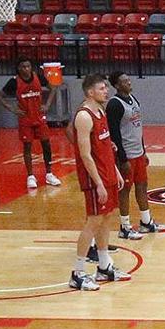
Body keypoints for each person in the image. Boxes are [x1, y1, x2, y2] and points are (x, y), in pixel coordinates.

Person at [69, 74, 130, 291]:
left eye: (106, 87)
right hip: (95, 179)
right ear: (90, 92)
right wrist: (99, 183)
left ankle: (104, 267)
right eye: (102, 88)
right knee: (93, 221)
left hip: (107, 174)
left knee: (106, 218)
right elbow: (86, 155)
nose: (106, 91)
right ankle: (77, 273)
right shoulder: (84, 117)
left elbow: (104, 148)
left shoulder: (101, 112)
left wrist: (115, 173)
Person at [106, 71, 165, 240]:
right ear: (117, 85)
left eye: (128, 80)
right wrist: (122, 158)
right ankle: (124, 227)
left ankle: (146, 222)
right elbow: (114, 134)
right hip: (126, 154)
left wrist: (144, 150)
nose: (129, 83)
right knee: (125, 190)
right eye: (124, 81)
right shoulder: (114, 105)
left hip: (138, 153)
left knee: (142, 185)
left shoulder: (133, 99)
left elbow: (138, 127)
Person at [0, 58, 62, 189]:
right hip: (25, 119)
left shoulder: (38, 77)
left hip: (39, 117)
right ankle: (30, 176)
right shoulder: (14, 82)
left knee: (46, 144)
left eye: (28, 66)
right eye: (23, 67)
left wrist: (47, 104)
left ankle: (49, 173)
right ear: (18, 69)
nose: (26, 69)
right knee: (27, 146)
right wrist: (12, 109)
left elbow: (53, 88)